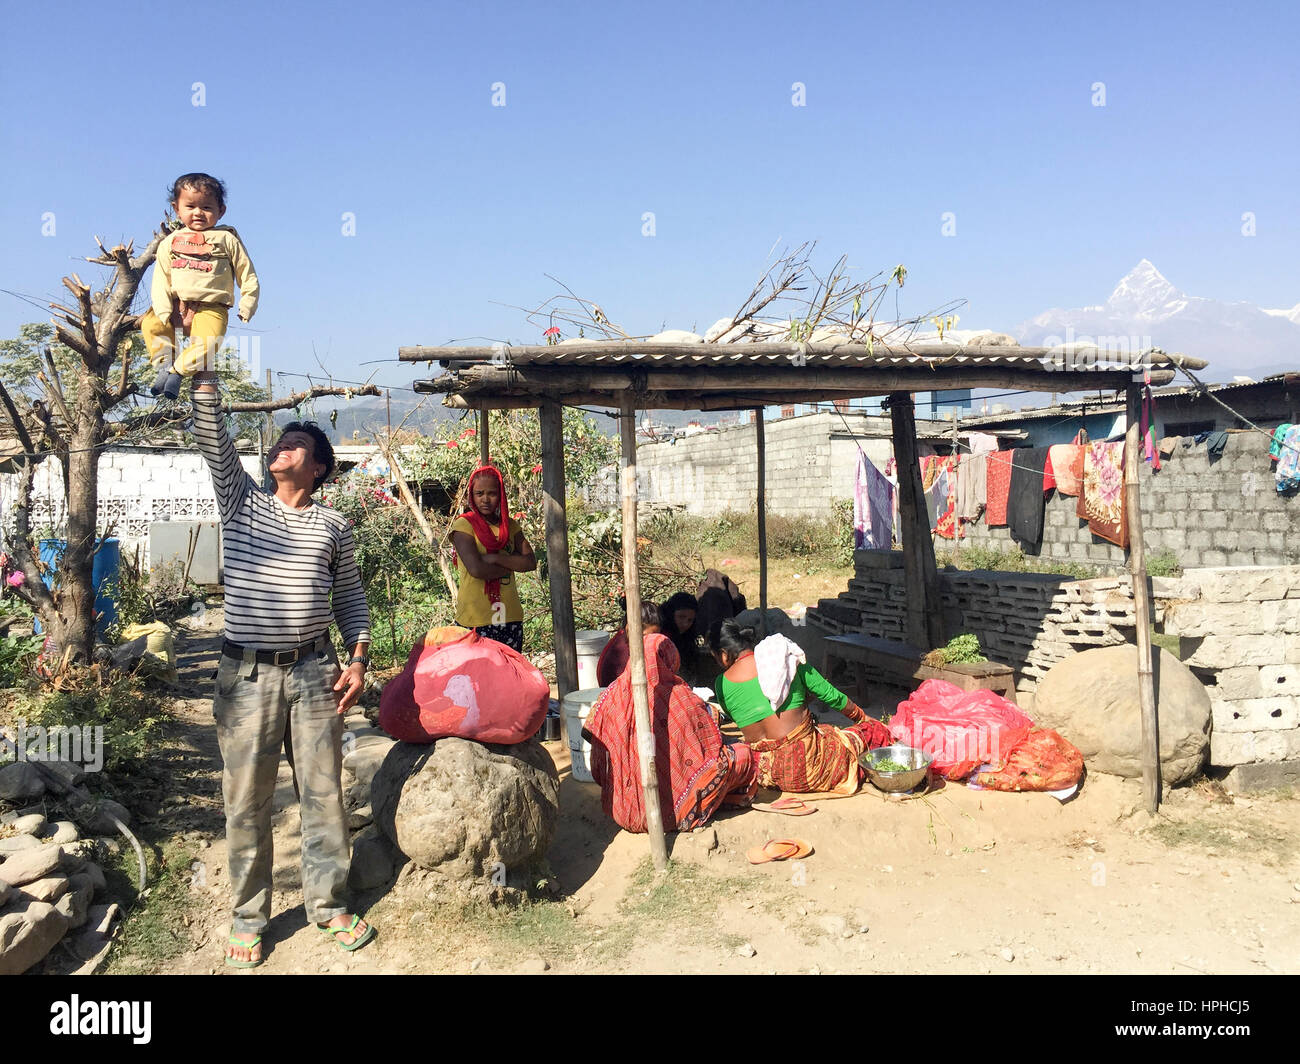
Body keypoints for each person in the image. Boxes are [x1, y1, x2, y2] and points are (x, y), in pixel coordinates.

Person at [189, 371, 374, 968]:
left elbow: (349, 598)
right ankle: (248, 916)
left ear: (318, 467)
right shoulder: (241, 503)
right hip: (246, 678)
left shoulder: (333, 527)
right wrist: (204, 379)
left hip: (315, 672)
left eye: (295, 443)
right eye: (277, 443)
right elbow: (214, 441)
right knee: (246, 800)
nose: (280, 449)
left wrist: (359, 657)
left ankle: (329, 904)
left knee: (323, 795)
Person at [583, 632, 756, 833]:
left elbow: (591, 735)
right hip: (669, 813)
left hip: (624, 809)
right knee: (742, 755)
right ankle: (687, 804)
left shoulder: (610, 695)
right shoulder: (680, 696)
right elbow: (708, 734)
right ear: (670, 658)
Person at [708, 620, 892, 795]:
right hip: (808, 768)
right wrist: (863, 719)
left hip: (763, 771)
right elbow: (831, 695)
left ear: (723, 655)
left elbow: (750, 712)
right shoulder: (786, 660)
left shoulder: (721, 684)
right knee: (874, 732)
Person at [141, 173, 260, 402]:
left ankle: (178, 371)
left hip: (212, 307)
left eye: (206, 207)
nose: (198, 212)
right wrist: (164, 310)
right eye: (190, 206)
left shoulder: (226, 239)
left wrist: (248, 304)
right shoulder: (170, 242)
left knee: (209, 343)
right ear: (177, 209)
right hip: (177, 304)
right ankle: (165, 364)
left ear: (220, 211)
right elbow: (161, 278)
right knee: (151, 324)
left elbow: (247, 274)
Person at [448, 465, 536, 652]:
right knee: (476, 679)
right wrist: (511, 564)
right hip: (475, 618)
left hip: (509, 617)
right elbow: (477, 569)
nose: (485, 499)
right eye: (479, 493)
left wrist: (493, 557)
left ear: (501, 495)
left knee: (507, 678)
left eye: (492, 493)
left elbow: (530, 562)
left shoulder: (510, 526)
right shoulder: (463, 525)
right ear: (472, 495)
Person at [595, 600, 660, 688]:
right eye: (646, 637)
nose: (651, 641)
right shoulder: (622, 652)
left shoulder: (622, 638)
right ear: (629, 629)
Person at [659, 591, 699, 677]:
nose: (685, 624)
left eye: (690, 620)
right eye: (681, 617)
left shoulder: (687, 637)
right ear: (671, 614)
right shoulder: (661, 636)